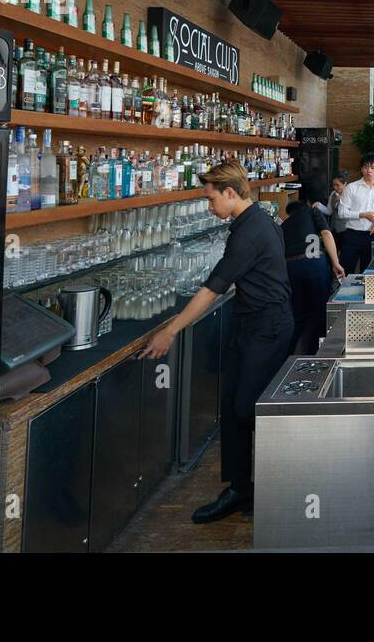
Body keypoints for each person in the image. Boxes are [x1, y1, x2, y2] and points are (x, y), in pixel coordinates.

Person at [138, 160, 292, 522]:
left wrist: (171, 330)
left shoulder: (249, 231)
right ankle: (241, 488)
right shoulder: (257, 220)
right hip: (251, 322)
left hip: (267, 327)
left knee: (248, 409)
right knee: (232, 408)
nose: (209, 208)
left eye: (211, 200)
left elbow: (212, 287)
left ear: (230, 192)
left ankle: (279, 483)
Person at [282, 179, 345, 356]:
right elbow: (326, 233)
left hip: (291, 268)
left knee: (298, 313)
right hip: (314, 264)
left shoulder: (283, 225)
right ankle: (314, 354)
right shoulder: (312, 212)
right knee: (319, 312)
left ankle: (288, 354)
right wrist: (336, 262)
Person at [337, 154, 374, 273]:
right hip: (351, 236)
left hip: (372, 236)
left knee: (368, 273)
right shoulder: (351, 188)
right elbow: (342, 213)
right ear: (361, 169)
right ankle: (341, 291)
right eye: (365, 167)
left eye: (372, 167)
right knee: (346, 270)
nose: (369, 170)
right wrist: (363, 215)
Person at [315, 170, 348, 236]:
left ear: (345, 184)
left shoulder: (350, 195)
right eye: (334, 185)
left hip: (346, 230)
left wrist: (340, 200)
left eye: (337, 185)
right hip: (334, 229)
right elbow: (329, 211)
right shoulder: (333, 194)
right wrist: (318, 205)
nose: (335, 187)